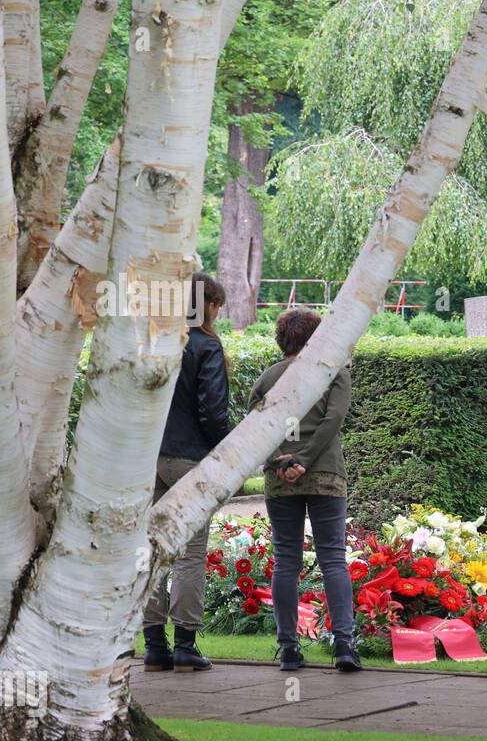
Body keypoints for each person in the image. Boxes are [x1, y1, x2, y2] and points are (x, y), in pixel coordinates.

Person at [249, 308, 360, 673]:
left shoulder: (268, 378)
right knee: (332, 558)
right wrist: (307, 459)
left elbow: (255, 429)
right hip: (326, 474)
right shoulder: (333, 373)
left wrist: (282, 462)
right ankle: (344, 644)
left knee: (286, 561)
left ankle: (289, 648)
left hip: (281, 481)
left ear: (282, 340)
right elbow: (334, 420)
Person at [142, 272, 231, 673]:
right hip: (190, 458)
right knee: (189, 553)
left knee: (151, 550)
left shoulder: (157, 341)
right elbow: (212, 410)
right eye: (217, 306)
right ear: (209, 304)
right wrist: (226, 448)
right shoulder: (206, 346)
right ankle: (186, 642)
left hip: (149, 456)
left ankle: (153, 643)